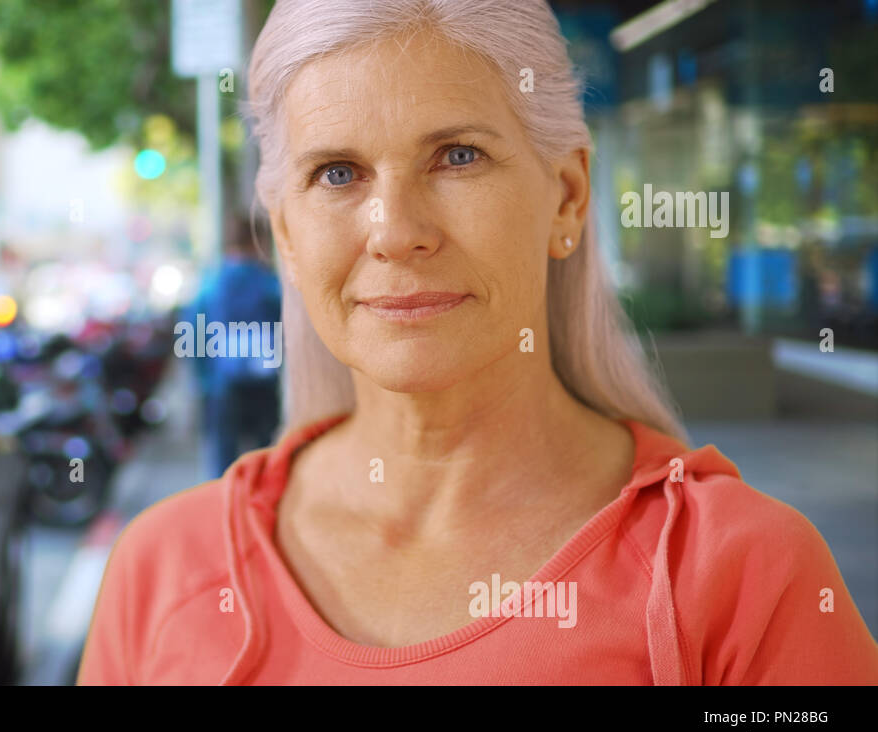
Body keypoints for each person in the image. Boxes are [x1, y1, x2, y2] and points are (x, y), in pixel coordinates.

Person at [79, 0, 878, 685]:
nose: (396, 232)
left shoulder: (744, 582)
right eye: (337, 173)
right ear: (285, 232)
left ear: (567, 198)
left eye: (457, 156)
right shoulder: (161, 571)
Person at [183, 215, 283, 478]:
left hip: (223, 385)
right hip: (264, 382)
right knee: (265, 455)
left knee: (223, 457)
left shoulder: (211, 284)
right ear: (259, 242)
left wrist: (203, 382)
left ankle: (224, 510)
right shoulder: (270, 284)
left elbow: (193, 335)